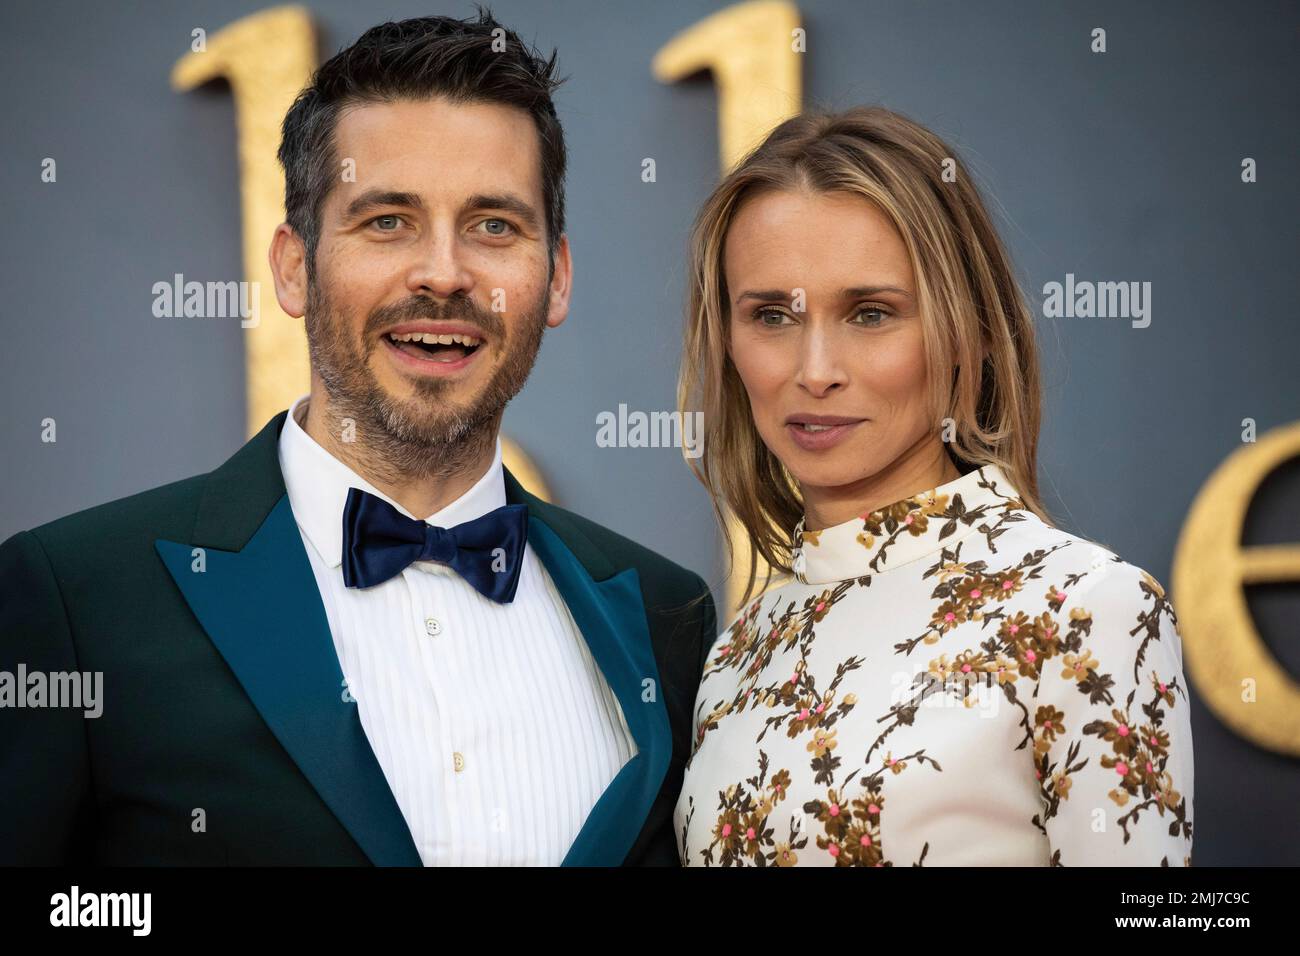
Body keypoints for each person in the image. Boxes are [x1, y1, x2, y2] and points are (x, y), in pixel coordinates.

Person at [0, 12, 715, 866]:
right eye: (387, 221)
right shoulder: (78, 600)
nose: (444, 273)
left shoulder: (667, 619)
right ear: (295, 266)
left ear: (554, 276)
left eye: (494, 225)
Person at [672, 106, 1194, 866]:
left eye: (871, 313)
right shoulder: (735, 657)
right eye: (773, 316)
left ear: (969, 334)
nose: (814, 370)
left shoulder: (1084, 610)